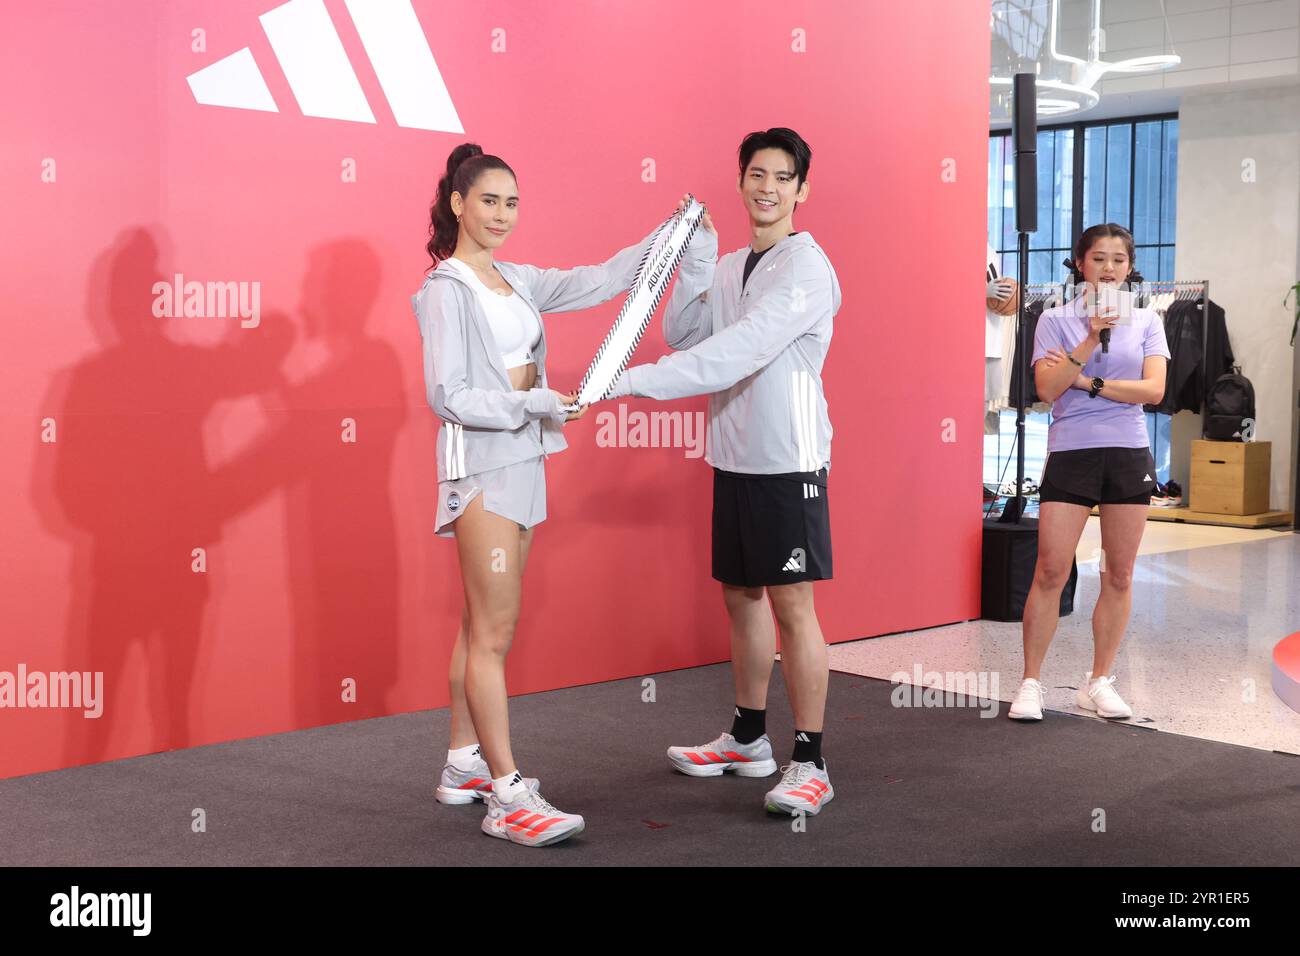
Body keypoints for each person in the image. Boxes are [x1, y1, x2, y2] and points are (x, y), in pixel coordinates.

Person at [413, 143, 664, 846]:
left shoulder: (515, 277)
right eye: (488, 200)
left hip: (525, 459)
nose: (501, 214)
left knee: (478, 624)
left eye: (512, 202)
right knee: (494, 635)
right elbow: (448, 395)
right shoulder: (445, 289)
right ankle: (506, 792)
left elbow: (600, 280)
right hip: (482, 469)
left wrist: (668, 236)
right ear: (458, 204)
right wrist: (535, 402)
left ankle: (463, 763)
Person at [605, 128, 842, 816]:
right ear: (742, 181)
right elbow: (685, 332)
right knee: (741, 594)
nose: (767, 187)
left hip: (789, 458)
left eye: (782, 177)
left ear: (802, 189)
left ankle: (810, 759)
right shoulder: (737, 263)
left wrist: (627, 382)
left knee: (793, 606)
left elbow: (739, 351)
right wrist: (701, 253)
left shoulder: (807, 268)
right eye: (756, 174)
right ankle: (747, 738)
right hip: (734, 454)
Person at [1007, 223, 1169, 722]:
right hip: (1072, 450)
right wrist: (1090, 337)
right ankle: (1030, 683)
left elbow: (1154, 392)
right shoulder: (1054, 319)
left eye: (1118, 260)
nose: (1109, 268)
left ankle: (1098, 682)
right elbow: (1048, 389)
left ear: (1129, 266)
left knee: (1118, 573)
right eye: (1099, 258)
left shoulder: (1147, 321)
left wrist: (1088, 381)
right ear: (1081, 263)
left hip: (1128, 452)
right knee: (1051, 569)